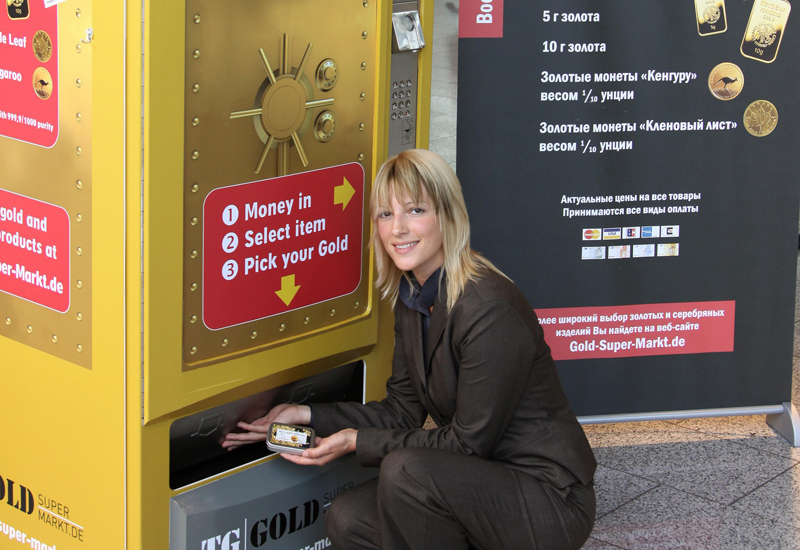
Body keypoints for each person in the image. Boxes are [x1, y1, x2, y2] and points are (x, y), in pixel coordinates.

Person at [223, 149, 597, 550]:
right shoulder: (414, 297)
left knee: (407, 472)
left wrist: (354, 441)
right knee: (348, 519)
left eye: (415, 210)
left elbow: (469, 444)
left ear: (448, 216)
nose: (397, 228)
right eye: (385, 215)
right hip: (477, 480)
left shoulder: (488, 309)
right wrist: (306, 413)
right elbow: (401, 411)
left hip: (547, 498)